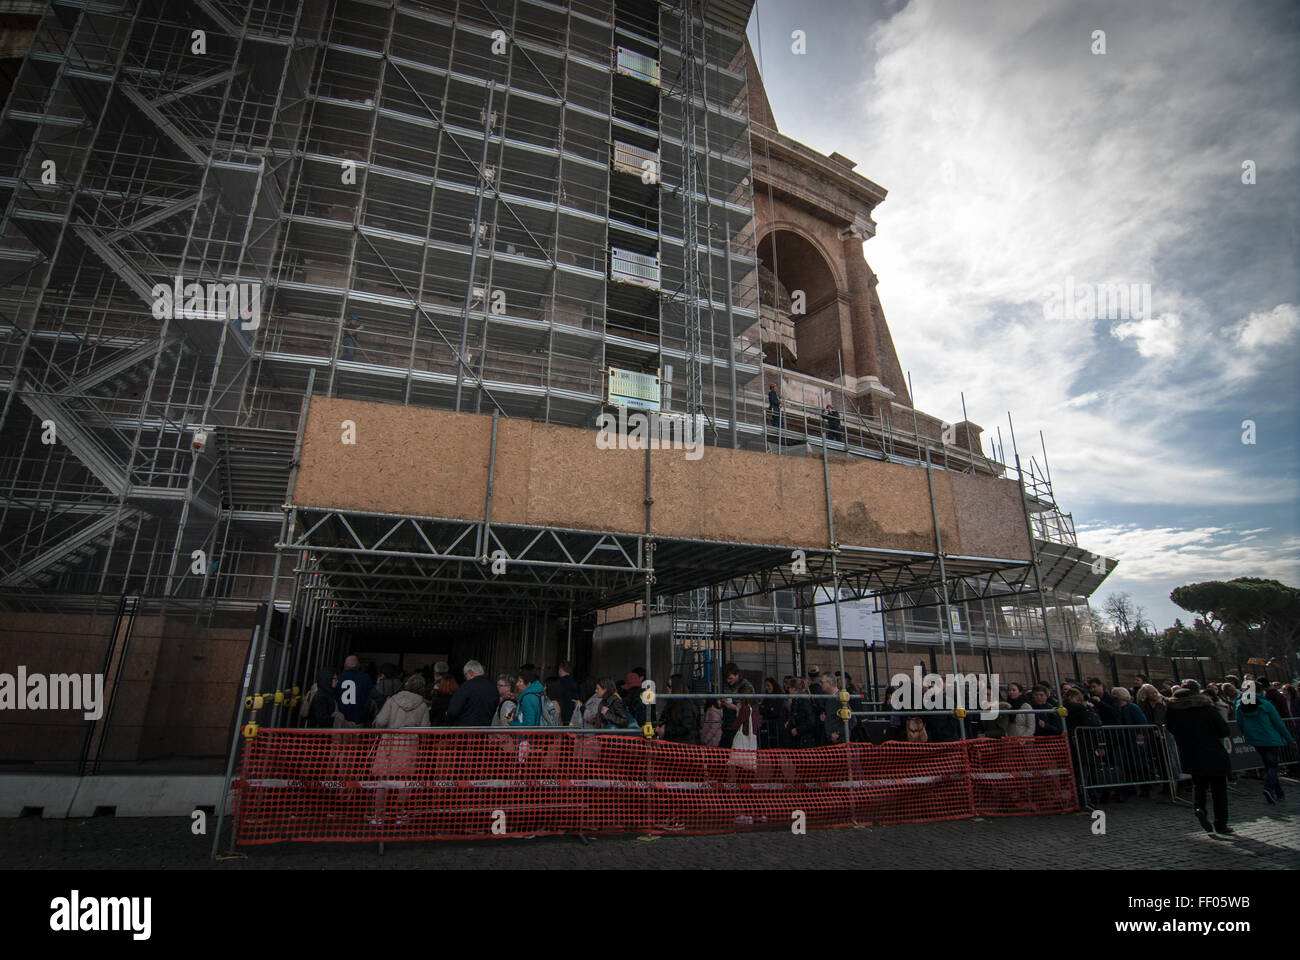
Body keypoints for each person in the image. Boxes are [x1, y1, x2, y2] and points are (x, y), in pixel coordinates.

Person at [1165, 680, 1233, 836]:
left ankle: (1199, 808)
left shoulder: (1173, 710)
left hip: (1190, 752)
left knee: (1199, 785)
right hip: (1213, 751)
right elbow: (1223, 730)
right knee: (1219, 790)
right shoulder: (1206, 708)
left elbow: (1171, 729)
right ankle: (1221, 824)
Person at [1234, 683, 1295, 803]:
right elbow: (1278, 723)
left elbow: (1239, 723)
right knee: (1273, 765)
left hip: (1255, 739)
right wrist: (1290, 739)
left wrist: (1247, 734)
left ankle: (1278, 792)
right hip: (1270, 738)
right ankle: (1269, 788)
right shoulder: (1265, 704)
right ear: (1260, 691)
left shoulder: (1239, 705)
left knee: (1269, 765)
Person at [447, 659, 498, 727]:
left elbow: (453, 711)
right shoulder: (493, 688)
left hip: (465, 731)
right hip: (484, 731)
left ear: (470, 673)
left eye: (465, 675)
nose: (466, 678)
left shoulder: (466, 686)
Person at [719, 663, 755, 749]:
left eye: (730, 678)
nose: (728, 681)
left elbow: (750, 707)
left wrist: (733, 707)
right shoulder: (724, 685)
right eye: (727, 679)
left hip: (740, 726)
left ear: (737, 675)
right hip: (727, 722)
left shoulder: (746, 687)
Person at [658, 673, 698, 744]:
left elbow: (686, 728)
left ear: (676, 687)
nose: (667, 688)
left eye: (669, 686)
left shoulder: (686, 704)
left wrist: (666, 730)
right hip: (672, 743)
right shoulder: (670, 703)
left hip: (683, 745)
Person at [336, 655, 373, 727]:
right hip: (359, 720)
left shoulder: (338, 679)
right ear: (358, 665)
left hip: (341, 721)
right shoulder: (366, 679)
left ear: (345, 665)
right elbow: (369, 699)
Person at [759, 677, 784, 748]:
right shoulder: (766, 698)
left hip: (776, 729)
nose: (766, 688)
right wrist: (769, 709)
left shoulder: (779, 697)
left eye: (768, 685)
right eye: (765, 686)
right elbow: (762, 709)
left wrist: (768, 710)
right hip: (767, 727)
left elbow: (776, 712)